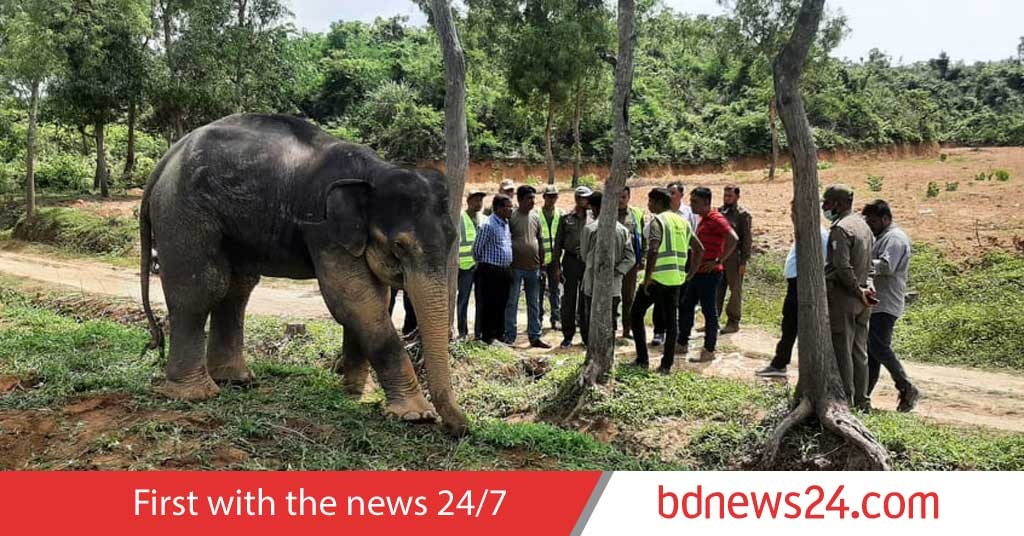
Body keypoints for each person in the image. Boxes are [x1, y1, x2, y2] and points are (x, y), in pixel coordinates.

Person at [630, 188, 704, 374]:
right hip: (676, 280)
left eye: (650, 201)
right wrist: (691, 273)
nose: (648, 205)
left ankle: (642, 359)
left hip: (657, 279)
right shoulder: (682, 222)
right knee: (672, 322)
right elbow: (699, 249)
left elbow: (653, 249)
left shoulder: (658, 221)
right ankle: (666, 365)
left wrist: (647, 279)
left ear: (657, 202)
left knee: (636, 314)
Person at [755, 208, 830, 378]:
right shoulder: (806, 232)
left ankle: (782, 363)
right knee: (789, 324)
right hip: (796, 283)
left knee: (793, 325)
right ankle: (781, 362)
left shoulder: (818, 234)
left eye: (794, 213)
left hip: (803, 284)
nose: (792, 217)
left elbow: (823, 262)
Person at [862, 199, 920, 412]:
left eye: (874, 221)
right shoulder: (882, 237)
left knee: (878, 347)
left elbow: (887, 266)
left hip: (886, 303)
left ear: (886, 218)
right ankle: (863, 396)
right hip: (877, 302)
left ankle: (906, 386)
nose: (870, 225)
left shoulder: (894, 238)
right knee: (871, 351)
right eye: (867, 221)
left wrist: (860, 263)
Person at [822, 184, 875, 411]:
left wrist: (856, 290)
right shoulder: (863, 226)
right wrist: (867, 289)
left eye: (827, 201)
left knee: (843, 350)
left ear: (838, 203)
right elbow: (870, 265)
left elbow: (842, 267)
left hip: (845, 298)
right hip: (864, 298)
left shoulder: (841, 229)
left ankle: (847, 400)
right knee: (859, 351)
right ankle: (863, 400)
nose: (824, 206)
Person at [677, 187, 738, 363]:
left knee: (709, 312)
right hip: (698, 272)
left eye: (695, 201)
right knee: (686, 306)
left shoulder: (716, 218)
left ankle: (709, 349)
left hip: (709, 274)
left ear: (706, 202)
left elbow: (733, 238)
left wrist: (719, 260)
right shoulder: (704, 219)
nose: (691, 204)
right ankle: (682, 343)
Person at [579, 192, 635, 345]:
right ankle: (607, 347)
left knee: (591, 318)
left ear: (595, 209)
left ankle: (593, 348)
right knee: (610, 319)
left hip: (592, 283)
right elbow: (630, 258)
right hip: (614, 285)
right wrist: (617, 271)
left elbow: (584, 256)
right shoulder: (622, 230)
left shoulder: (590, 229)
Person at [652, 181, 700, 346]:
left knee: (680, 301)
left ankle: (677, 334)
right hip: (662, 265)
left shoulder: (688, 214)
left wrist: (691, 271)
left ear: (681, 195)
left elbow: (695, 244)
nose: (670, 195)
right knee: (660, 301)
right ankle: (659, 332)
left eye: (673, 192)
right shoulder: (658, 215)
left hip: (681, 262)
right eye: (668, 192)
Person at [505, 185, 550, 348]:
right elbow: (506, 240)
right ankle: (510, 336)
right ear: (520, 200)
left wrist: (542, 264)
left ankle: (535, 336)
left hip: (534, 267)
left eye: (533, 198)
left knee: (534, 302)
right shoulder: (511, 216)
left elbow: (540, 240)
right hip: (515, 267)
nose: (532, 201)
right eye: (529, 198)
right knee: (512, 302)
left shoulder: (536, 216)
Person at [552, 186, 592, 348]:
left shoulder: (593, 217)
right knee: (569, 299)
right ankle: (567, 335)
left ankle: (586, 335)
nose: (586, 201)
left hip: (587, 262)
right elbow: (558, 245)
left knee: (585, 299)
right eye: (583, 198)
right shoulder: (566, 218)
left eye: (588, 198)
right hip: (570, 261)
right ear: (577, 199)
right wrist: (556, 267)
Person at [472, 194, 515, 345]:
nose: (511, 210)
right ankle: (488, 336)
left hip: (504, 271)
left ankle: (499, 335)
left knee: (501, 304)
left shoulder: (506, 224)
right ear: (498, 208)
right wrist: (485, 265)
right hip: (490, 271)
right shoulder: (488, 225)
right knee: (489, 304)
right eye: (508, 207)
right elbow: (476, 249)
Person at [716, 185, 752, 334]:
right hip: (719, 257)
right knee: (716, 289)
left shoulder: (743, 215)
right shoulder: (718, 212)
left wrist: (743, 261)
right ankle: (713, 319)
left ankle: (733, 321)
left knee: (735, 290)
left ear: (737, 197)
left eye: (730, 196)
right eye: (725, 195)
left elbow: (747, 240)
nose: (726, 198)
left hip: (734, 259)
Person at [457, 188, 486, 340]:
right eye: (475, 200)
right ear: (468, 201)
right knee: (463, 300)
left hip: (481, 267)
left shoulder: (484, 219)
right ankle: (462, 332)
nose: (478, 203)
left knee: (481, 301)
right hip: (465, 266)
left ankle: (479, 333)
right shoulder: (460, 218)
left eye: (480, 200)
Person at [618, 186, 646, 339]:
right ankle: (611, 327)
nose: (621, 200)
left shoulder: (636, 214)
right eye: (619, 197)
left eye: (624, 197)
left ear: (629, 198)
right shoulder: (608, 214)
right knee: (612, 297)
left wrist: (642, 258)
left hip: (631, 264)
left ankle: (627, 329)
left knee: (629, 297)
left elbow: (642, 238)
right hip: (614, 264)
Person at [538, 185, 563, 331]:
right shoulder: (537, 214)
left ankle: (556, 318)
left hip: (555, 259)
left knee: (555, 290)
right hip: (540, 259)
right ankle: (538, 319)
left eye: (554, 196)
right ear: (544, 197)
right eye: (549, 196)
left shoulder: (561, 214)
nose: (551, 199)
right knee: (539, 292)